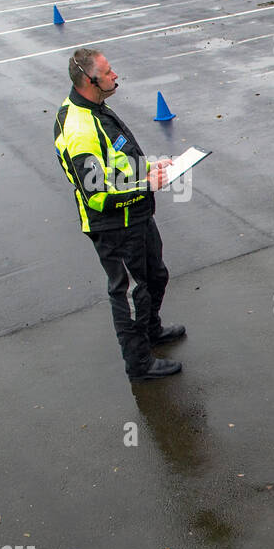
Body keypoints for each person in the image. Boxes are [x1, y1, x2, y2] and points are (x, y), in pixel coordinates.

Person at [54, 48, 186, 382]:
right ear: (89, 80)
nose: (115, 76)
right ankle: (139, 363)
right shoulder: (80, 128)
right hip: (114, 226)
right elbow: (96, 194)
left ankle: (152, 331)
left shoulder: (98, 108)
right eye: (108, 72)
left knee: (156, 276)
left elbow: (118, 159)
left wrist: (149, 168)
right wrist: (146, 185)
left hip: (138, 215)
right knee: (129, 293)